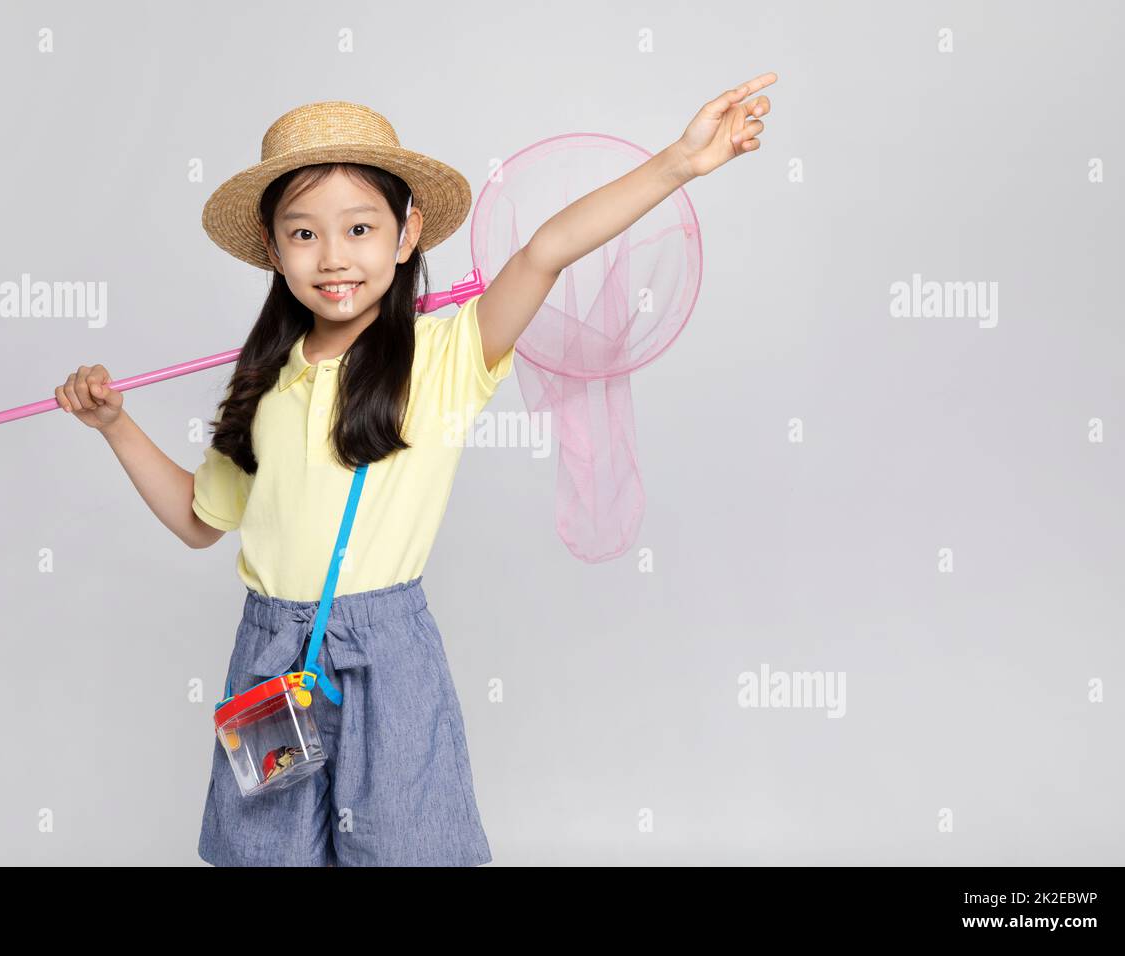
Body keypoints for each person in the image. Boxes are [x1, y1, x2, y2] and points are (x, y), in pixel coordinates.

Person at [53, 85, 774, 866]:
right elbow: (199, 519)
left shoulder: (445, 357)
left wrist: (680, 162)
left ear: (407, 234)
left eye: (359, 228)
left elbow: (545, 251)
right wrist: (114, 425)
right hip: (268, 656)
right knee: (266, 853)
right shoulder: (263, 381)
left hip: (385, 653)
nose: (333, 257)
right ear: (272, 247)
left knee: (405, 846)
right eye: (305, 233)